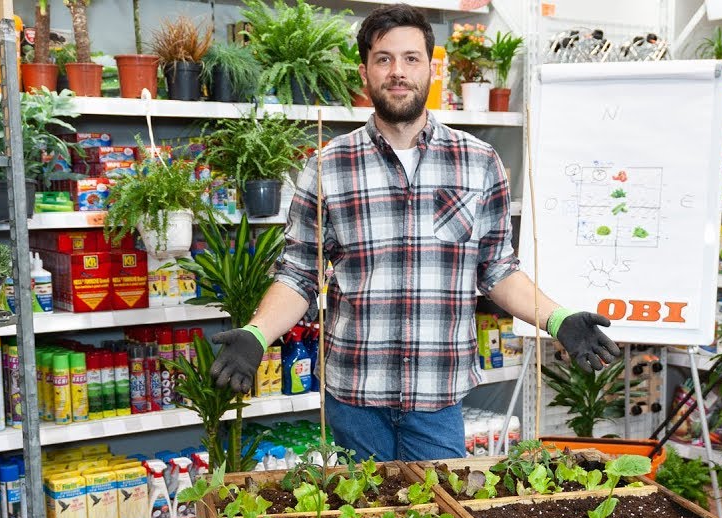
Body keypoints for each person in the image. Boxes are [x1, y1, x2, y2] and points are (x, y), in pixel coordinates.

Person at [210, 3, 619, 462]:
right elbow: (299, 275)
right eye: (384, 59)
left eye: (410, 58)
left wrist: (557, 319)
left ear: (429, 67)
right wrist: (256, 334)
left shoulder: (479, 163)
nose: (397, 72)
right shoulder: (328, 166)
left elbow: (498, 270)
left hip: (438, 398)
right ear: (364, 71)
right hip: (353, 399)